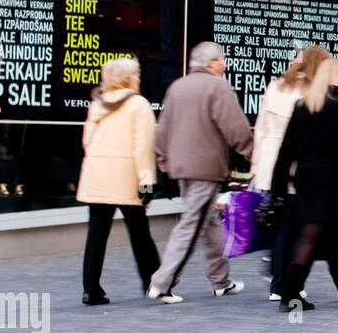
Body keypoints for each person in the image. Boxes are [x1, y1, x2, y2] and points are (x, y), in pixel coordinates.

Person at [147, 42, 254, 302]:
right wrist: (255, 156)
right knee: (192, 225)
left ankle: (221, 281)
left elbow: (161, 130)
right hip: (205, 169)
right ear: (210, 63)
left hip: (182, 168)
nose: (225, 63)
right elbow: (236, 128)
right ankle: (162, 283)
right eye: (222, 59)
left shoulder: (178, 86)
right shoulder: (217, 87)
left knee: (209, 223)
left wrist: (163, 162)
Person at [270, 58, 338, 310]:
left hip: (306, 178)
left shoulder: (303, 105)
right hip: (331, 180)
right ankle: (291, 292)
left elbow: (286, 150)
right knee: (312, 232)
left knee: (332, 234)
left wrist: (278, 187)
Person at [75, 58, 159, 305]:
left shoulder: (97, 104)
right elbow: (143, 147)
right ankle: (153, 281)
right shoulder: (138, 104)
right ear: (127, 78)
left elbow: (87, 140)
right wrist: (146, 182)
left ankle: (91, 289)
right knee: (140, 233)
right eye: (136, 74)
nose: (139, 78)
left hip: (96, 176)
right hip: (125, 176)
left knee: (96, 235)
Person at [249, 45, 330, 301]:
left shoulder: (274, 87)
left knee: (284, 222)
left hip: (269, 160)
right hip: (294, 163)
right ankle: (283, 283)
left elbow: (260, 127)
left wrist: (255, 164)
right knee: (293, 225)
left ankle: (278, 280)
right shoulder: (310, 92)